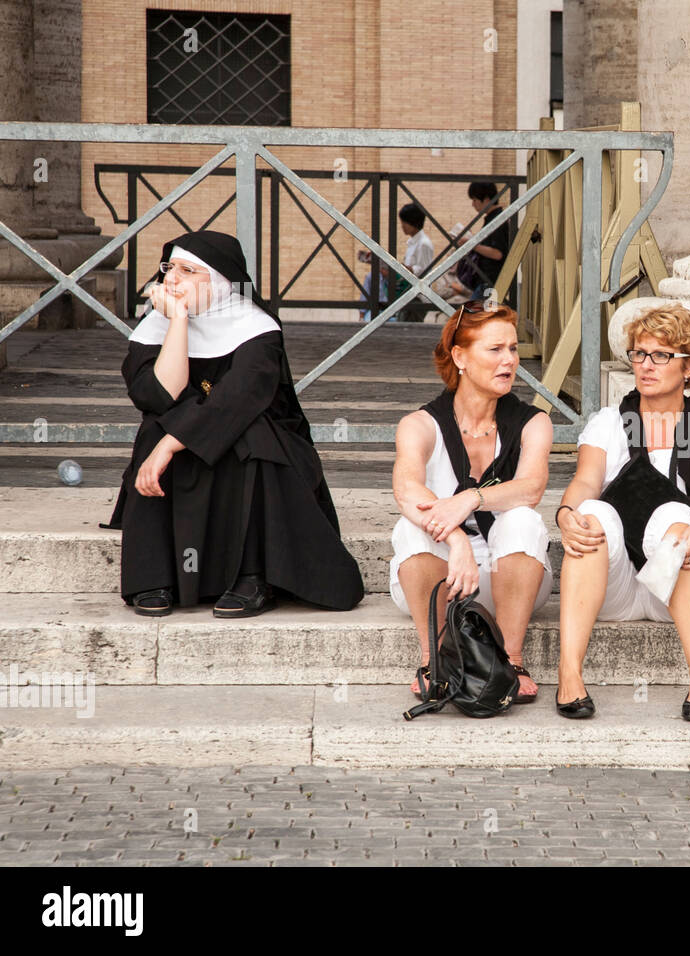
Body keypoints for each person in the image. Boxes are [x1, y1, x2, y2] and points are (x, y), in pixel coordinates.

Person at [104, 230, 364, 617]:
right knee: (156, 428)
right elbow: (157, 398)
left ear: (222, 282)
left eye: (188, 270)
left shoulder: (256, 329)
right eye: (168, 268)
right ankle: (155, 575)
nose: (171, 279)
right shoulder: (155, 327)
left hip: (262, 439)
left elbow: (237, 401)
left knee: (250, 437)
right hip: (188, 425)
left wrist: (172, 443)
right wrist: (177, 321)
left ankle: (253, 576)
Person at [555, 303, 690, 722]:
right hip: (614, 583)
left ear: (689, 366)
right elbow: (586, 482)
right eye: (639, 354)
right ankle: (569, 674)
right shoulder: (609, 421)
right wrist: (567, 514)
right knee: (591, 513)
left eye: (661, 356)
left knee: (679, 519)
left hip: (678, 579)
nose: (646, 365)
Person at [389, 302, 553, 704]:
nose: (509, 360)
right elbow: (406, 489)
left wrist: (470, 499)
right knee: (409, 527)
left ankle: (511, 659)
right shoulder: (419, 424)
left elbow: (531, 488)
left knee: (524, 522)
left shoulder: (534, 422)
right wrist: (458, 541)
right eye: (495, 350)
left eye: (513, 349)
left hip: (511, 576)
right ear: (460, 357)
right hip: (440, 580)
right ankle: (435, 660)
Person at [398, 202, 434, 323]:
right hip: (409, 295)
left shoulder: (424, 243)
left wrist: (409, 269)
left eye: (404, 222)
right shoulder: (412, 242)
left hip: (418, 298)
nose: (402, 226)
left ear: (413, 222)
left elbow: (425, 270)